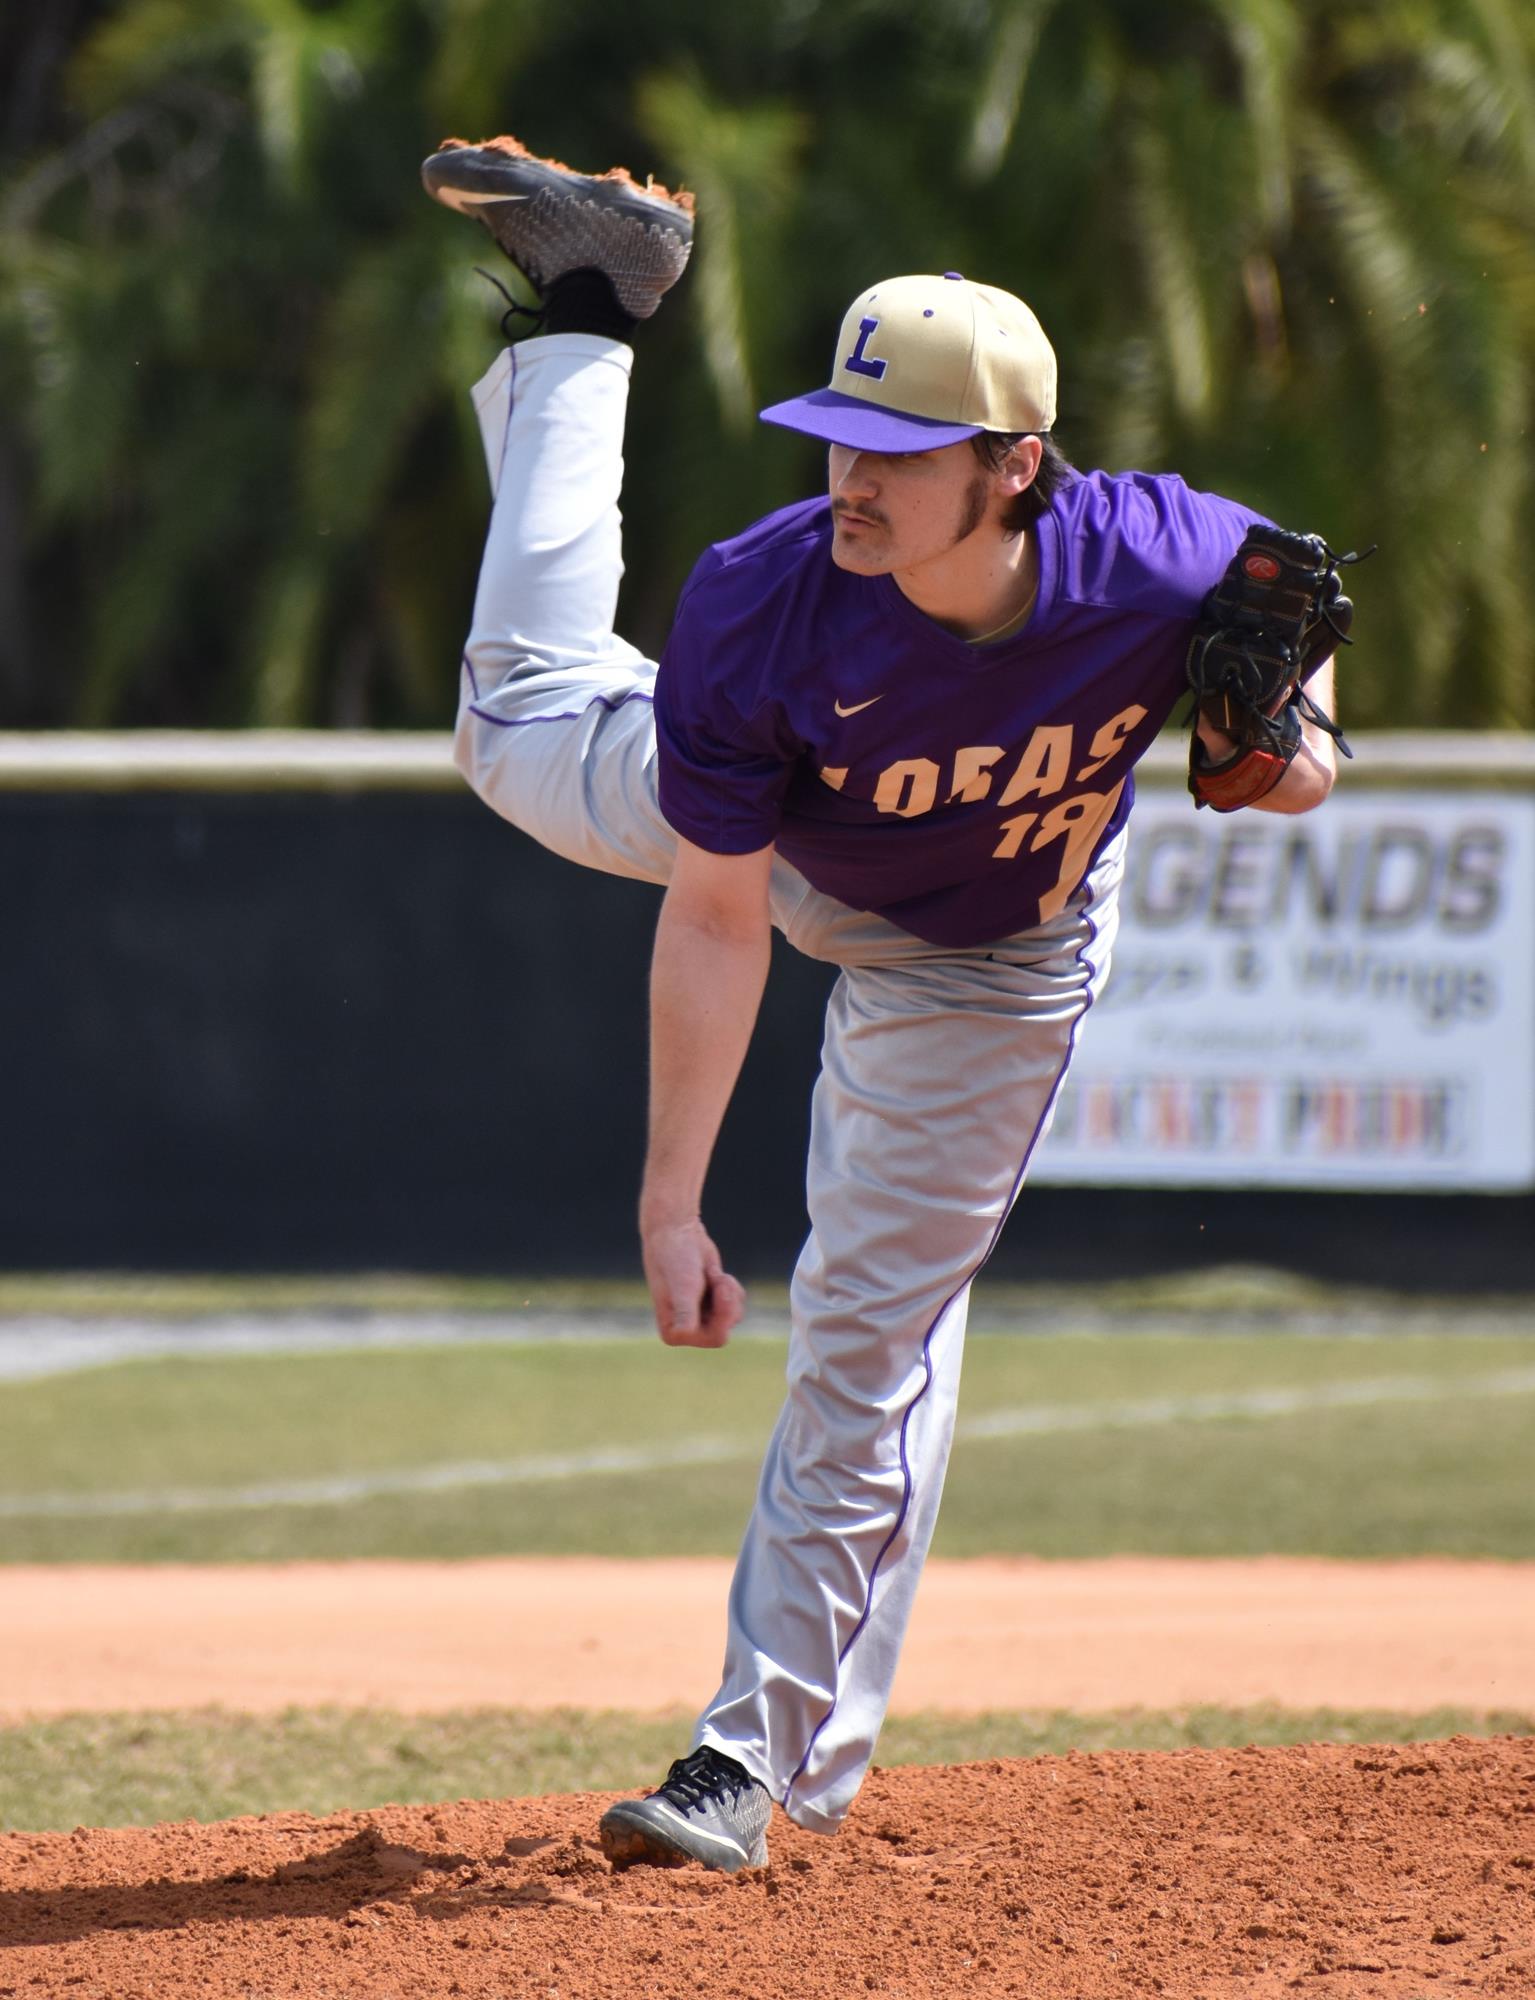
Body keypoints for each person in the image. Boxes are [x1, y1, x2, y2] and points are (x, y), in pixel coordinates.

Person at [422, 133, 1341, 1874]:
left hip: (992, 956)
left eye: (903, 451)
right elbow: (712, 915)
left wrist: (1284, 748)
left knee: (866, 1340)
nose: (855, 475)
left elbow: (1293, 677)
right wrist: (672, 1193)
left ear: (1014, 466)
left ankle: (742, 1765)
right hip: (778, 845)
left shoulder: (1150, 557)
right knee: (509, 729)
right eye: (841, 435)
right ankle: (593, 306)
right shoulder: (771, 600)